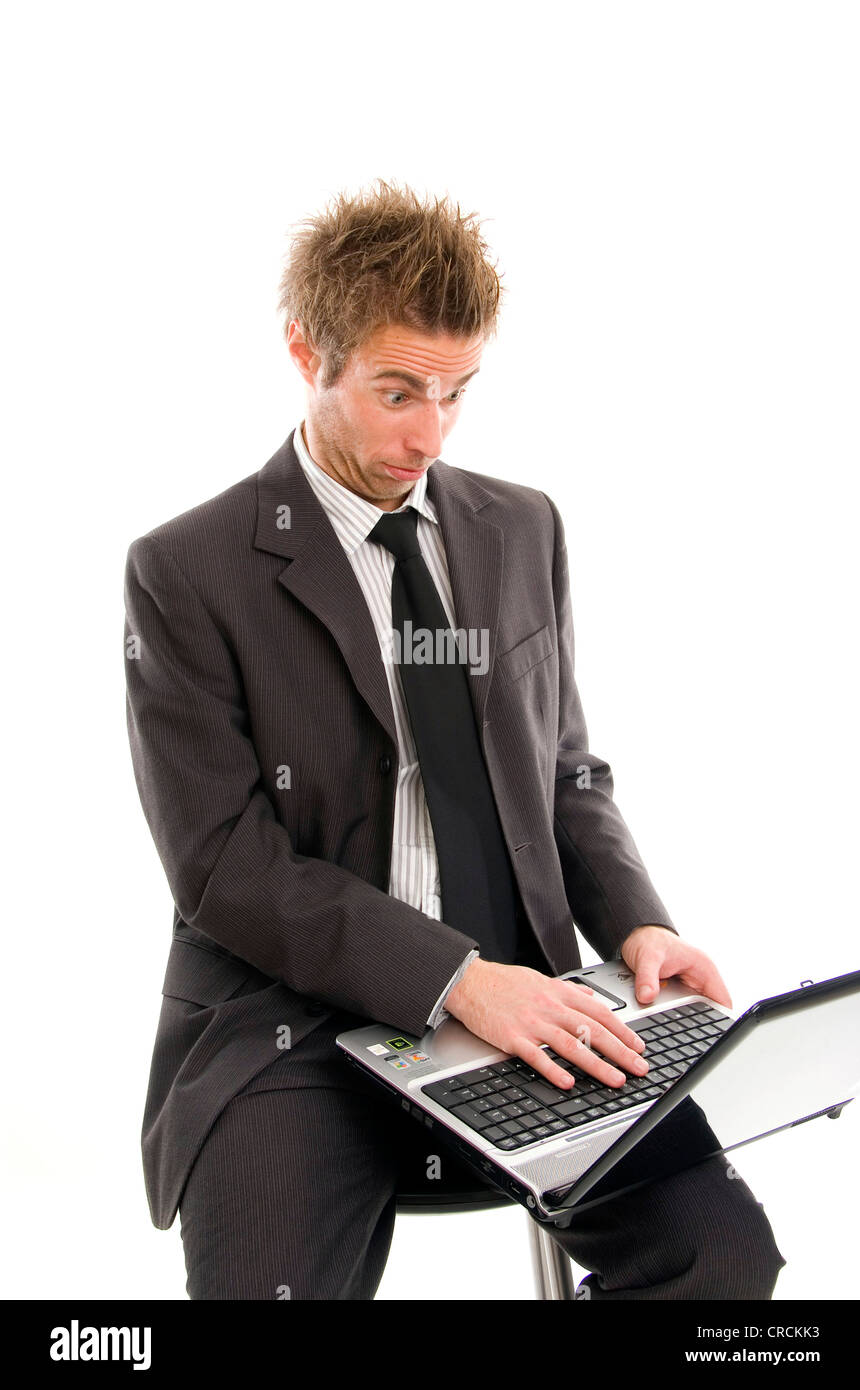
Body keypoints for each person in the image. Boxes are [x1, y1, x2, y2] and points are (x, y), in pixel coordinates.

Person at [123, 180, 785, 1299]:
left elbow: (567, 767)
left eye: (455, 393)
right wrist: (455, 979)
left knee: (723, 1263)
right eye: (396, 392)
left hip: (530, 1008)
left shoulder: (520, 526)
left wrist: (640, 925)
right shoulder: (188, 570)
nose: (427, 434)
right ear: (305, 350)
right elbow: (222, 866)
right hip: (294, 1029)